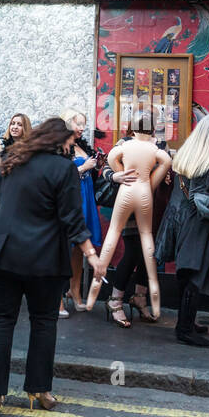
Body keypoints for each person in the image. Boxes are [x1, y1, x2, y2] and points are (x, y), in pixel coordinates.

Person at [0, 116, 105, 414]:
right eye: (71, 143)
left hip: (1, 253)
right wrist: (91, 254)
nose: (73, 149)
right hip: (43, 258)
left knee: (0, 322)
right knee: (43, 322)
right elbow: (72, 217)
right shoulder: (63, 169)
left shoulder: (12, 158)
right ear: (59, 142)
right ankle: (40, 390)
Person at [153, 114, 209, 347]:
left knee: (187, 273)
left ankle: (186, 323)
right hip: (196, 226)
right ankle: (185, 329)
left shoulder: (187, 156)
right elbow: (198, 201)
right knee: (195, 274)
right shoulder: (205, 164)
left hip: (182, 220)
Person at [83, 112, 171, 327]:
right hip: (131, 204)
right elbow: (105, 168)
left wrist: (166, 176)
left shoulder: (161, 144)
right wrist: (115, 176)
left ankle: (139, 297)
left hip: (155, 206)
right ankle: (115, 299)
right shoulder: (125, 142)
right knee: (132, 252)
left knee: (149, 256)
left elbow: (165, 168)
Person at [59, 107, 102, 317]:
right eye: (78, 123)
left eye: (84, 124)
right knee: (65, 248)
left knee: (78, 249)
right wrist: (84, 168)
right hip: (72, 200)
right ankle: (58, 298)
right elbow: (60, 177)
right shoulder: (61, 147)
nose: (82, 128)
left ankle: (74, 292)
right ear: (68, 124)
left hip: (85, 198)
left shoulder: (81, 146)